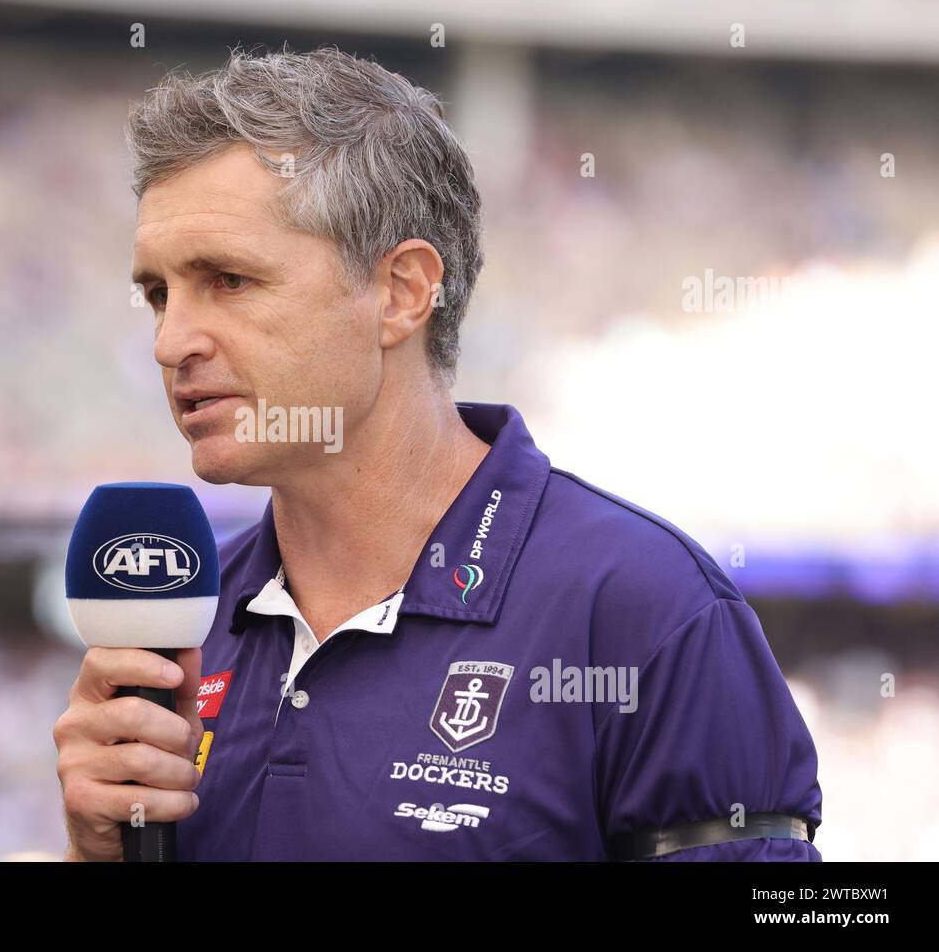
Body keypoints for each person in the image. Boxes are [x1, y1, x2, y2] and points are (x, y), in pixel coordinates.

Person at [53, 46, 822, 861]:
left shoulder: (646, 609)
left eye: (230, 281)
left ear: (402, 291)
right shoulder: (183, 626)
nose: (172, 342)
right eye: (158, 294)